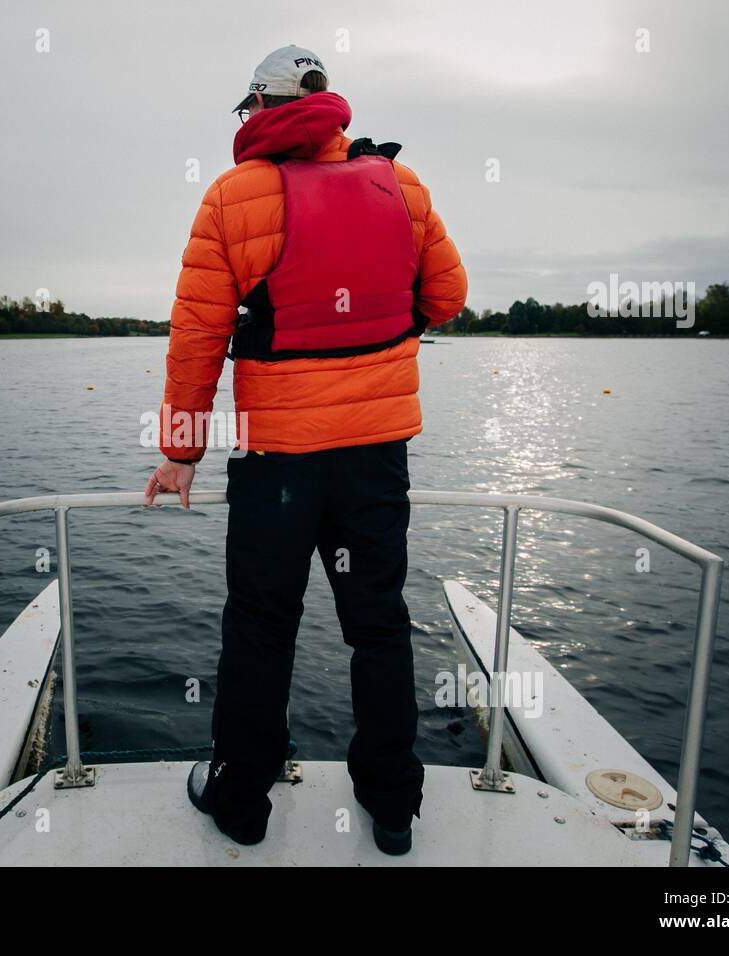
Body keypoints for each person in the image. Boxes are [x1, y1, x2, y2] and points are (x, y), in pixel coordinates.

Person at [143, 45, 467, 855]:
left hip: (277, 461)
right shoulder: (402, 183)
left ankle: (243, 803)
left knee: (260, 627)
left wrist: (181, 447)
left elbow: (198, 337)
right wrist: (382, 343)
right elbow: (448, 298)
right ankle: (392, 807)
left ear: (263, 104)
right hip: (374, 458)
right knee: (379, 628)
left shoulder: (232, 197)